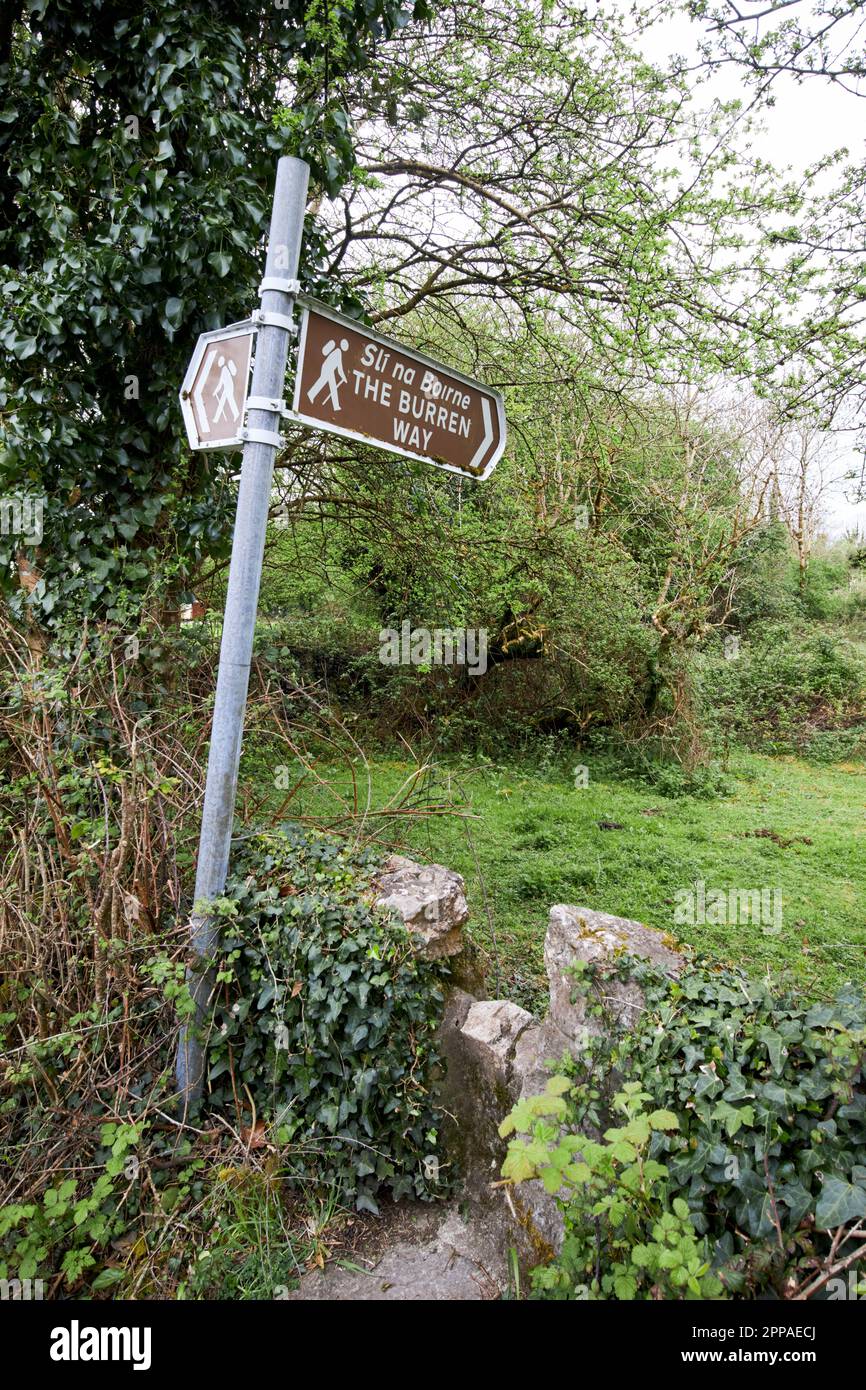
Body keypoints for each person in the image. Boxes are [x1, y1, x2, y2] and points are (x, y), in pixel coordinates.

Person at [307, 337, 349, 411]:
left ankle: (336, 406)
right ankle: (311, 394)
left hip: (329, 370)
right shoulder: (338, 352)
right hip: (327, 369)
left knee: (332, 387)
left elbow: (339, 368)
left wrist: (344, 377)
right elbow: (340, 368)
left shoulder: (338, 352)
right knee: (323, 383)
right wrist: (344, 378)